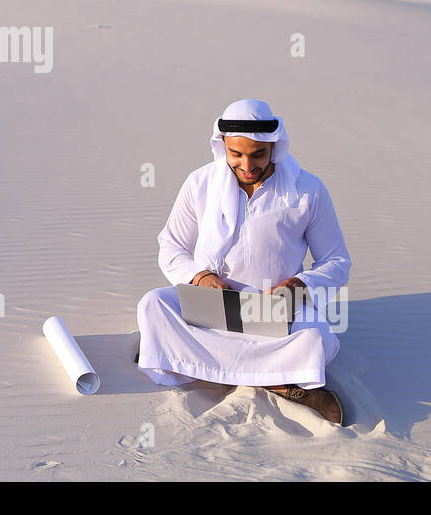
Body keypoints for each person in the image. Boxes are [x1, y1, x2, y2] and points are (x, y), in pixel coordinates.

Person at [135, 98, 351, 425]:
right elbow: (171, 245)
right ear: (222, 146)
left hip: (274, 310)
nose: (247, 164)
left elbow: (336, 262)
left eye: (257, 154)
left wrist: (297, 285)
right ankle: (277, 381)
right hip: (212, 305)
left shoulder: (308, 190)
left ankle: (203, 365)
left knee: (316, 337)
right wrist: (199, 276)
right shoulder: (200, 183)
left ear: (274, 147)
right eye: (236, 154)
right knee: (153, 305)